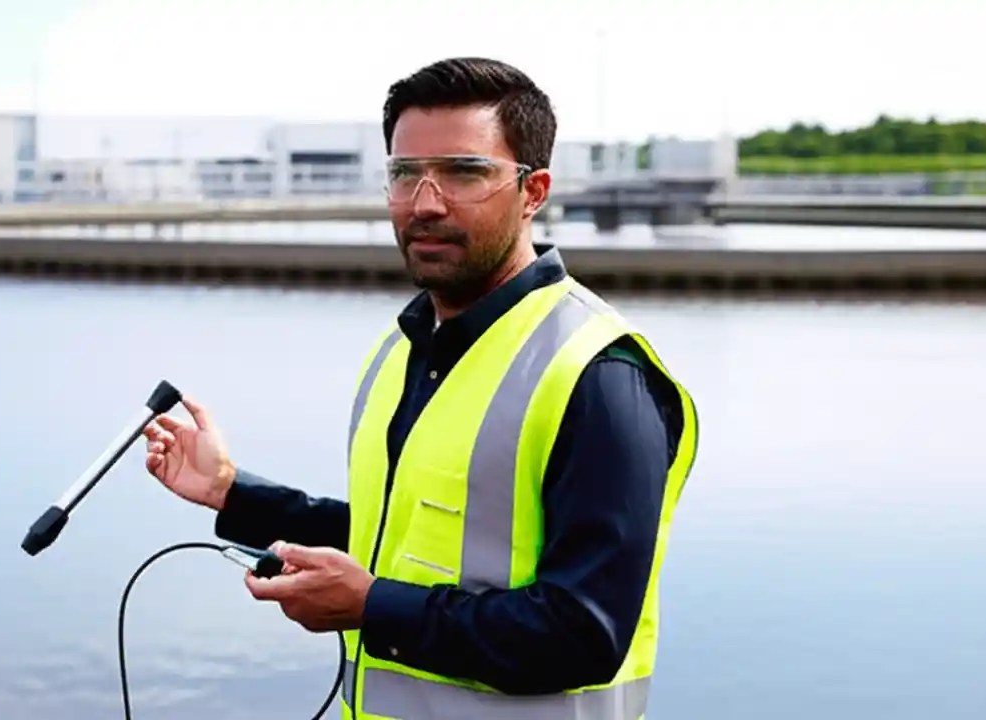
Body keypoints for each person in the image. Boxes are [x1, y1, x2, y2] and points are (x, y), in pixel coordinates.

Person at [142, 57, 699, 720]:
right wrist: (234, 492)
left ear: (534, 191)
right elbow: (390, 540)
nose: (425, 203)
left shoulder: (598, 374)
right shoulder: (402, 350)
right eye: (405, 174)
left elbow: (584, 632)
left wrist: (372, 606)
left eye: (464, 172)